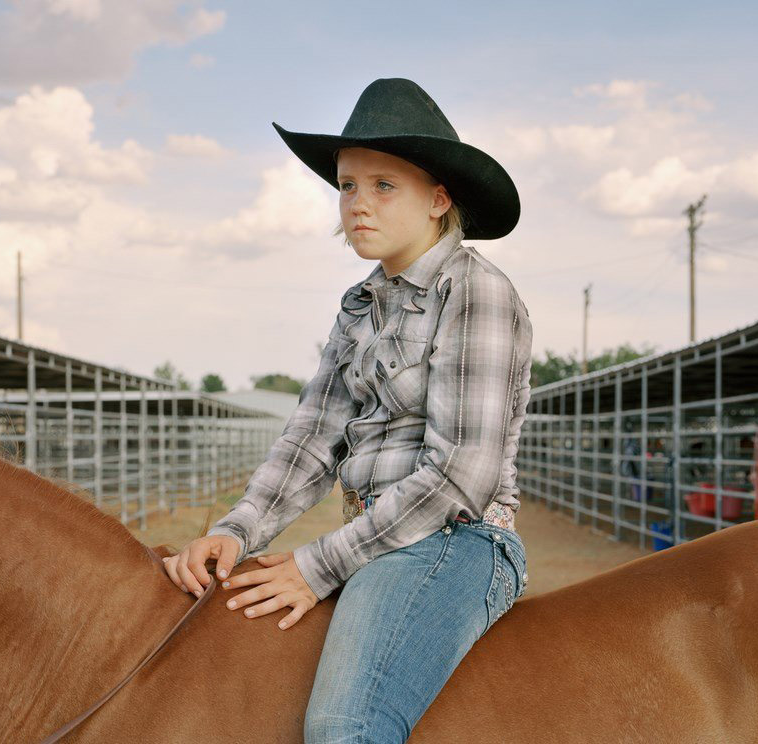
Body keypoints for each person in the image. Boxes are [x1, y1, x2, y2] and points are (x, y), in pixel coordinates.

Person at [162, 77, 533, 743]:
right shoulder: (360, 305)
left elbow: (460, 474)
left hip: (457, 540)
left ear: (438, 198)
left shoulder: (477, 292)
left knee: (345, 728)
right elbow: (311, 441)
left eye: (384, 185)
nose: (358, 204)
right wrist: (237, 531)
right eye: (347, 185)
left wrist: (318, 565)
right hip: (375, 541)